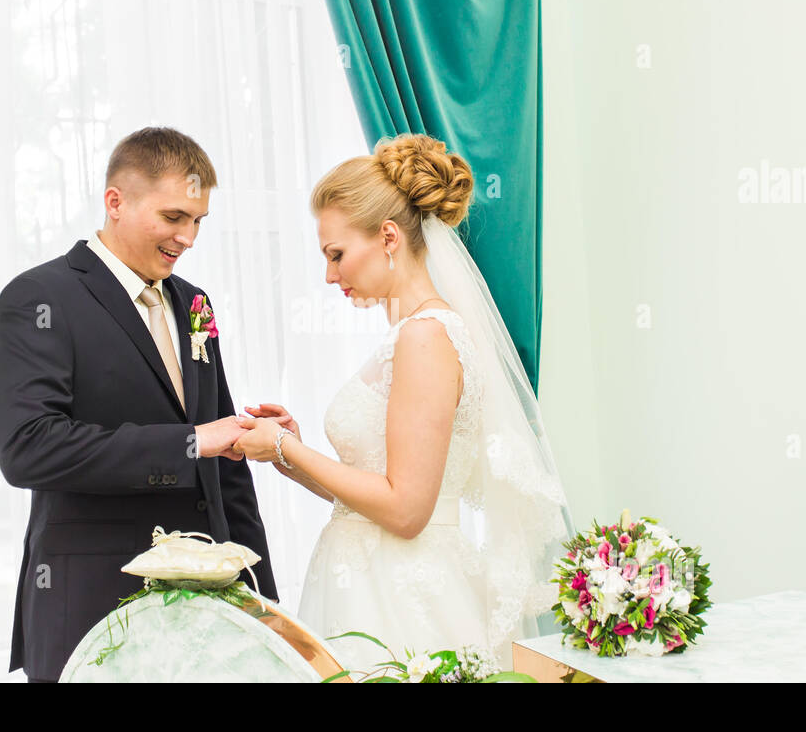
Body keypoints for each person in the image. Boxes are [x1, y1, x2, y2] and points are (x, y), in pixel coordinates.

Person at [234, 134, 573, 672]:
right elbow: (373, 495)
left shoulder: (425, 338)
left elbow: (407, 511)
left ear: (388, 236)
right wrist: (288, 452)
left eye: (336, 254)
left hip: (400, 596)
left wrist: (282, 447)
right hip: (369, 580)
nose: (329, 275)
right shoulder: (412, 336)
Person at [0, 127, 278, 682]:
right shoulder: (39, 298)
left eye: (198, 221)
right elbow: (28, 449)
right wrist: (190, 442)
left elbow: (226, 473)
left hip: (209, 618)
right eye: (174, 217)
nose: (189, 237)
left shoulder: (196, 302)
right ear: (115, 203)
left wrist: (264, 602)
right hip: (92, 606)